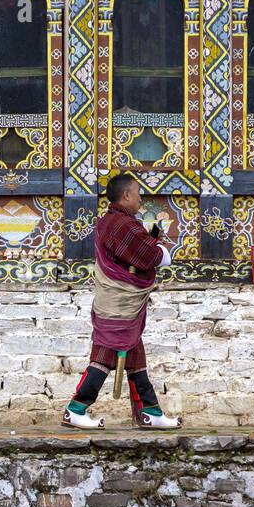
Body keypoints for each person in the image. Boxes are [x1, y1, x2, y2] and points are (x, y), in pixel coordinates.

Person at [62, 173, 182, 430]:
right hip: (119, 302)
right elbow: (147, 255)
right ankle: (76, 408)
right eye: (137, 192)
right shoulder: (121, 225)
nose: (141, 198)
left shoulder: (114, 222)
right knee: (107, 352)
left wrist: (155, 233)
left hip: (120, 301)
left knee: (134, 355)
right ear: (126, 195)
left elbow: (136, 248)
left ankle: (149, 412)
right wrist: (161, 250)